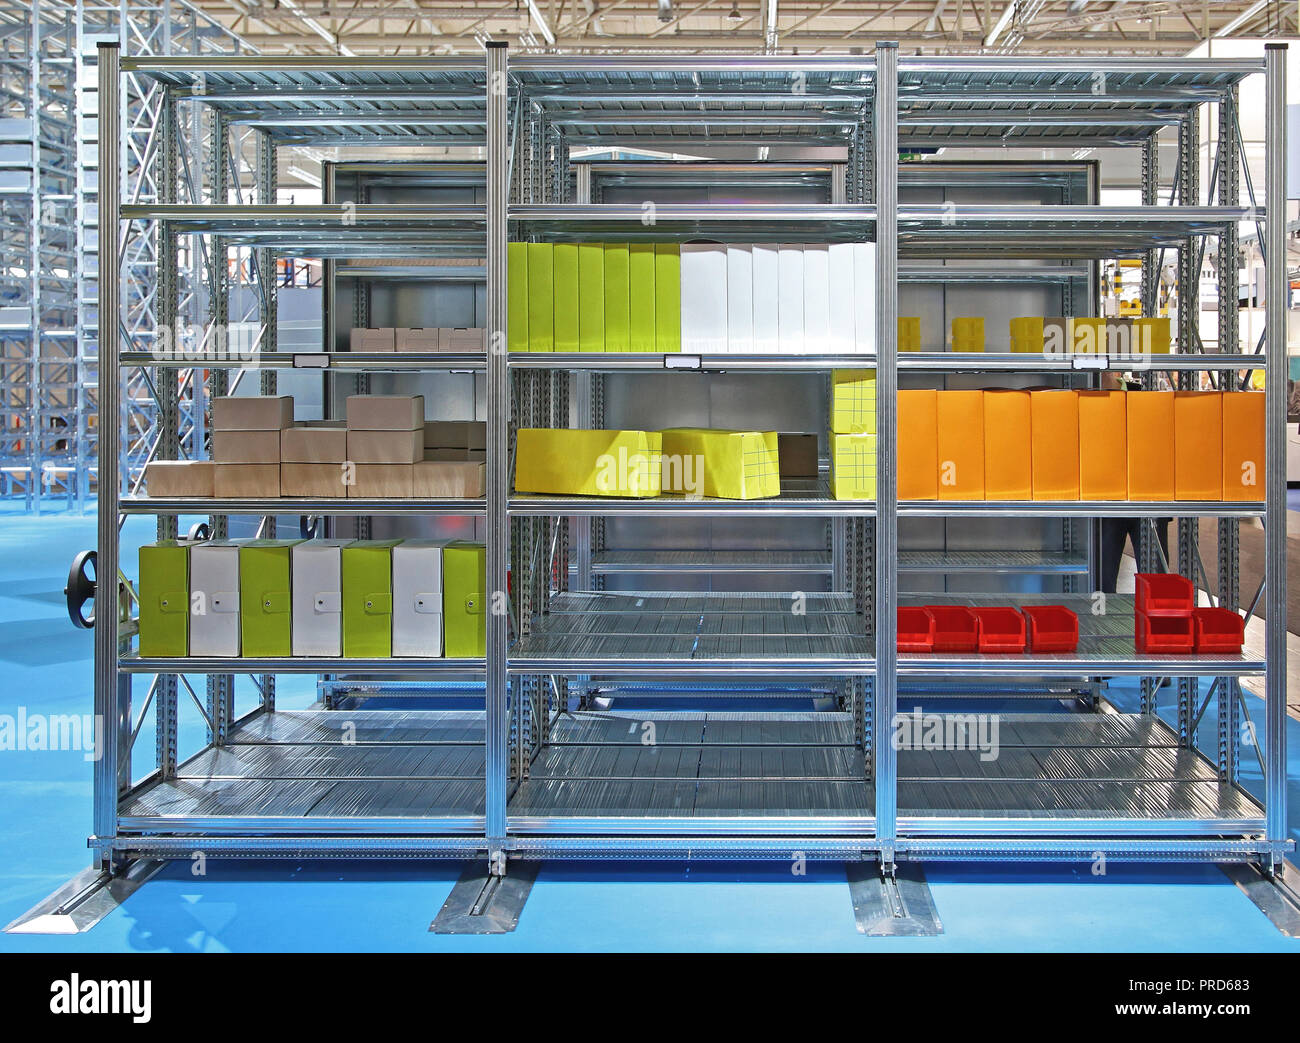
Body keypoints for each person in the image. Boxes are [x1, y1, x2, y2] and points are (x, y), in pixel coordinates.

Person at [1097, 371, 1170, 594]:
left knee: (1155, 582)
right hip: (1106, 500)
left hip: (1146, 497)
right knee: (1102, 582)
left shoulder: (1143, 398)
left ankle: (1157, 626)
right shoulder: (1088, 402)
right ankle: (1100, 625)